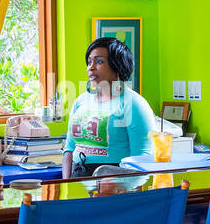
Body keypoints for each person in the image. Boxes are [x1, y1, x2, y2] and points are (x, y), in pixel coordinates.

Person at [61, 37, 155, 178]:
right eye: (89, 62)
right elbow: (69, 149)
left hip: (115, 185)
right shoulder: (81, 101)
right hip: (78, 180)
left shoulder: (134, 104)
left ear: (117, 66)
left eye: (99, 61)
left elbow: (142, 160)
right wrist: (66, 186)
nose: (91, 67)